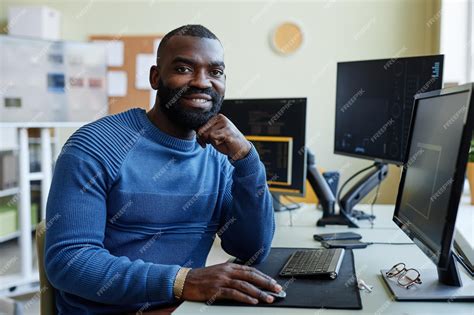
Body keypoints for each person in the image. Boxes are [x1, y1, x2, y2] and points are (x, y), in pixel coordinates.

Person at [44, 24, 281, 314]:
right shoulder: (94, 145)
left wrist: (247, 160)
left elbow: (251, 249)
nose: (202, 82)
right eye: (184, 69)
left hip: (183, 308)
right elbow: (69, 261)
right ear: (156, 78)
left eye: (215, 72)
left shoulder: (218, 156)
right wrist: (182, 281)